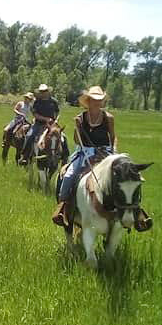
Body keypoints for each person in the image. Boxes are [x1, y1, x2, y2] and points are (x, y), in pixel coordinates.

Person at [52, 86, 152, 231]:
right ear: (88, 101)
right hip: (84, 152)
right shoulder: (81, 118)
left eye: (99, 100)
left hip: (105, 151)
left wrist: (114, 151)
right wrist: (77, 128)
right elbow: (77, 140)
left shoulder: (108, 118)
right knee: (68, 175)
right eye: (93, 100)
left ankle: (136, 212)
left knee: (129, 176)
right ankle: (62, 208)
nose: (96, 103)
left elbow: (113, 137)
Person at [21, 84, 59, 165]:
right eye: (41, 92)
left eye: (45, 91)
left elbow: (57, 112)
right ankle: (25, 156)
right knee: (29, 136)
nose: (43, 93)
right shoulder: (36, 102)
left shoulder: (54, 101)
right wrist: (45, 119)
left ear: (48, 92)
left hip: (52, 124)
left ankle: (65, 157)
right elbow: (35, 115)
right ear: (39, 92)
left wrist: (55, 120)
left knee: (62, 137)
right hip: (38, 124)